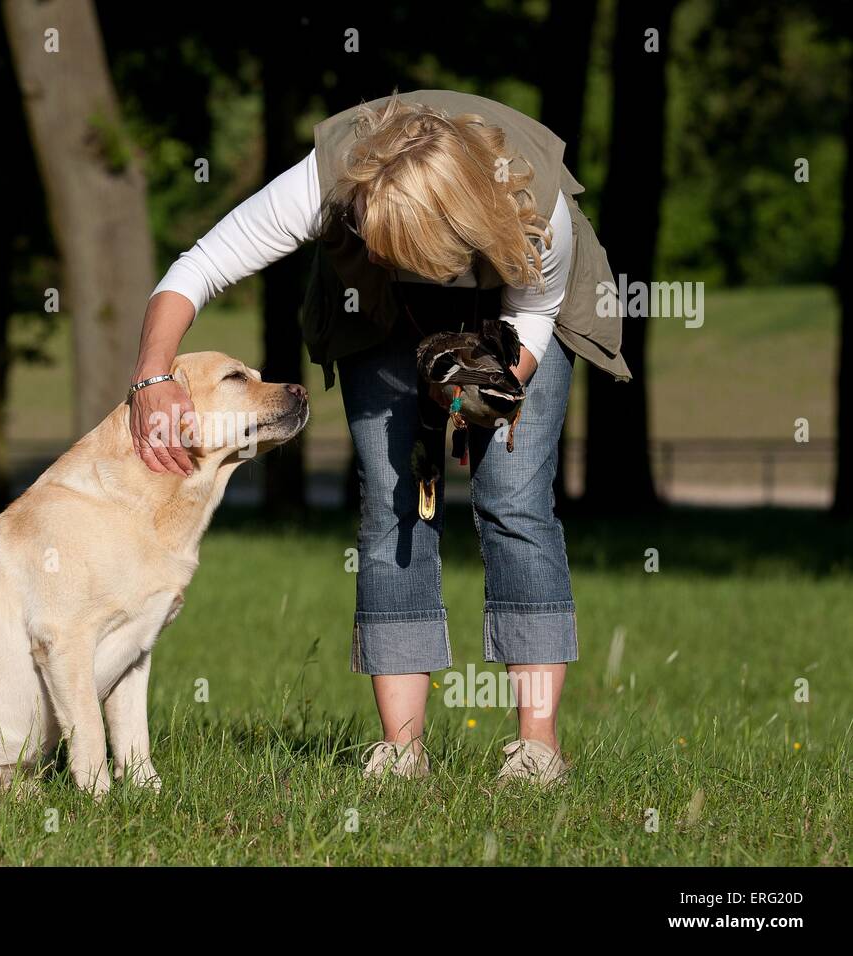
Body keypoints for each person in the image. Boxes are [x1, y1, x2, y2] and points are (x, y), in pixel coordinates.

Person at [127, 89, 630, 785]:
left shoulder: (536, 209)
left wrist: (489, 390)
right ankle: (401, 751)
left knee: (515, 501)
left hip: (514, 302)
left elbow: (537, 311)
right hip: (377, 315)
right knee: (398, 503)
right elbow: (199, 267)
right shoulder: (328, 184)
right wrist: (153, 375)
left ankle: (537, 747)